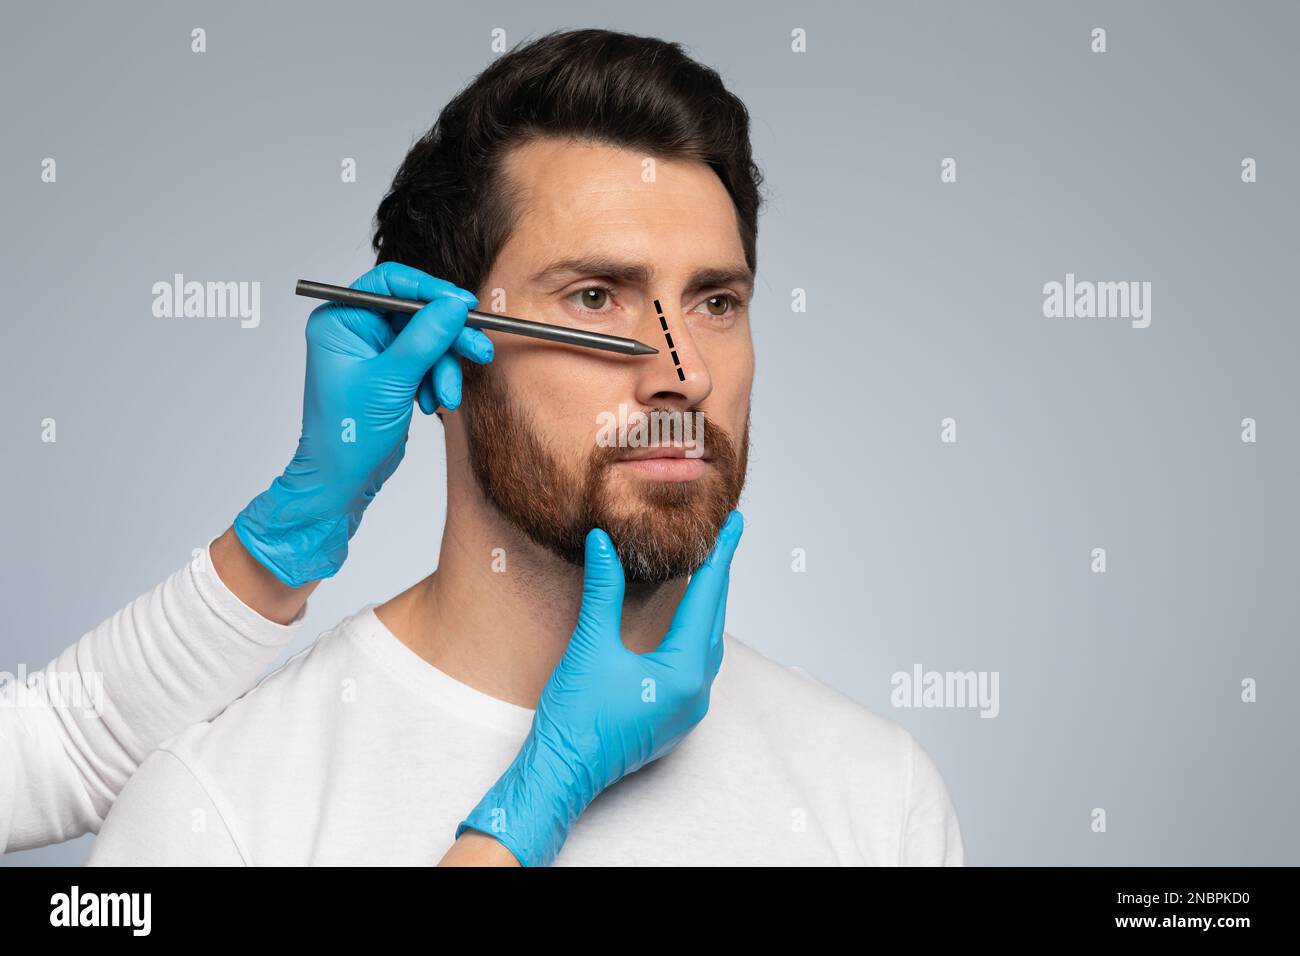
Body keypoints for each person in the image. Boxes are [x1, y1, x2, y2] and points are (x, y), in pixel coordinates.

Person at [85, 28, 964, 867]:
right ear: (442, 343)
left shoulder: (877, 795)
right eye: (594, 297)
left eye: (716, 302)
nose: (683, 373)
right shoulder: (223, 814)